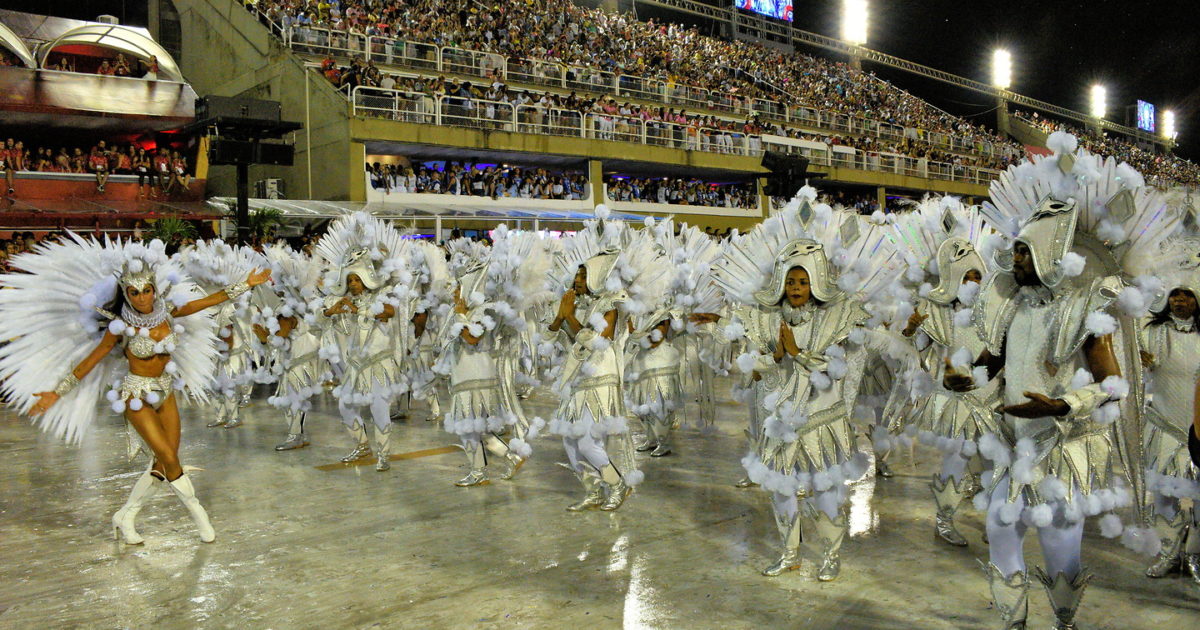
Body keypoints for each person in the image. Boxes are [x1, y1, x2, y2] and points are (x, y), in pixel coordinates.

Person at [966, 136, 1171, 629]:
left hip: (1061, 448)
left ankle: (1063, 622)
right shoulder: (1008, 305)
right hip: (1013, 444)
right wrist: (961, 380)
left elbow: (1113, 384)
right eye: (1014, 254)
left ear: (1049, 258)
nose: (1015, 264)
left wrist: (1059, 408)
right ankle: (1014, 622)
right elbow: (987, 365)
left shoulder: (1082, 312)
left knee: (1060, 544)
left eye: (1024, 255)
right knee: (1000, 527)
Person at [0, 236, 270, 545]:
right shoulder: (119, 327)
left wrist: (246, 284)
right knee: (169, 457)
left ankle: (125, 517)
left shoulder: (168, 313)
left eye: (146, 291)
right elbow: (89, 362)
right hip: (136, 395)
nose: (142, 298)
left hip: (165, 391)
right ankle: (199, 516)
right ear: (125, 294)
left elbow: (208, 301)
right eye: (134, 292)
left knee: (160, 463)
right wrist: (56, 392)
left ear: (154, 289)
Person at [714, 193, 905, 580]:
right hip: (779, 422)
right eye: (790, 279)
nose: (796, 286)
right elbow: (752, 368)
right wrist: (779, 358)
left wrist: (797, 353)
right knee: (780, 488)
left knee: (824, 490)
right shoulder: (764, 319)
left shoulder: (839, 317)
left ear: (815, 281)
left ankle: (831, 553)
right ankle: (790, 552)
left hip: (822, 419)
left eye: (803, 279)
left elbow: (839, 368)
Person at [893, 197, 999, 547]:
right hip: (954, 398)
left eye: (977, 276)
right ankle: (944, 520)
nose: (973, 282)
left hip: (989, 397)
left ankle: (994, 522)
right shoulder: (936, 311)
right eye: (966, 276)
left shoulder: (992, 312)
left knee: (992, 464)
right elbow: (921, 349)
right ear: (953, 278)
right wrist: (911, 328)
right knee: (956, 461)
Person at [1138, 238, 1200, 583]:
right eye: (1176, 293)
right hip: (1162, 423)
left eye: (1188, 294)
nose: (1181, 300)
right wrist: (1140, 360)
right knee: (1162, 496)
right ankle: (1168, 552)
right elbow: (1136, 366)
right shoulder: (1153, 333)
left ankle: (1195, 554)